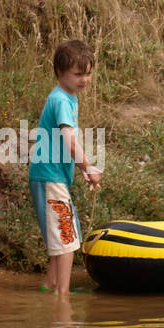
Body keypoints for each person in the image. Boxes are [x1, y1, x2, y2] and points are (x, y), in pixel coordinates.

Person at [28, 40, 102, 295]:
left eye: (88, 73)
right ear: (61, 72)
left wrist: (78, 167)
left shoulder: (66, 97)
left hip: (53, 174)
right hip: (50, 177)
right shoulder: (61, 100)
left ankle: (51, 286)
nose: (85, 79)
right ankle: (63, 298)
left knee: (65, 233)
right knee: (67, 238)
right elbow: (68, 138)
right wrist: (88, 165)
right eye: (78, 73)